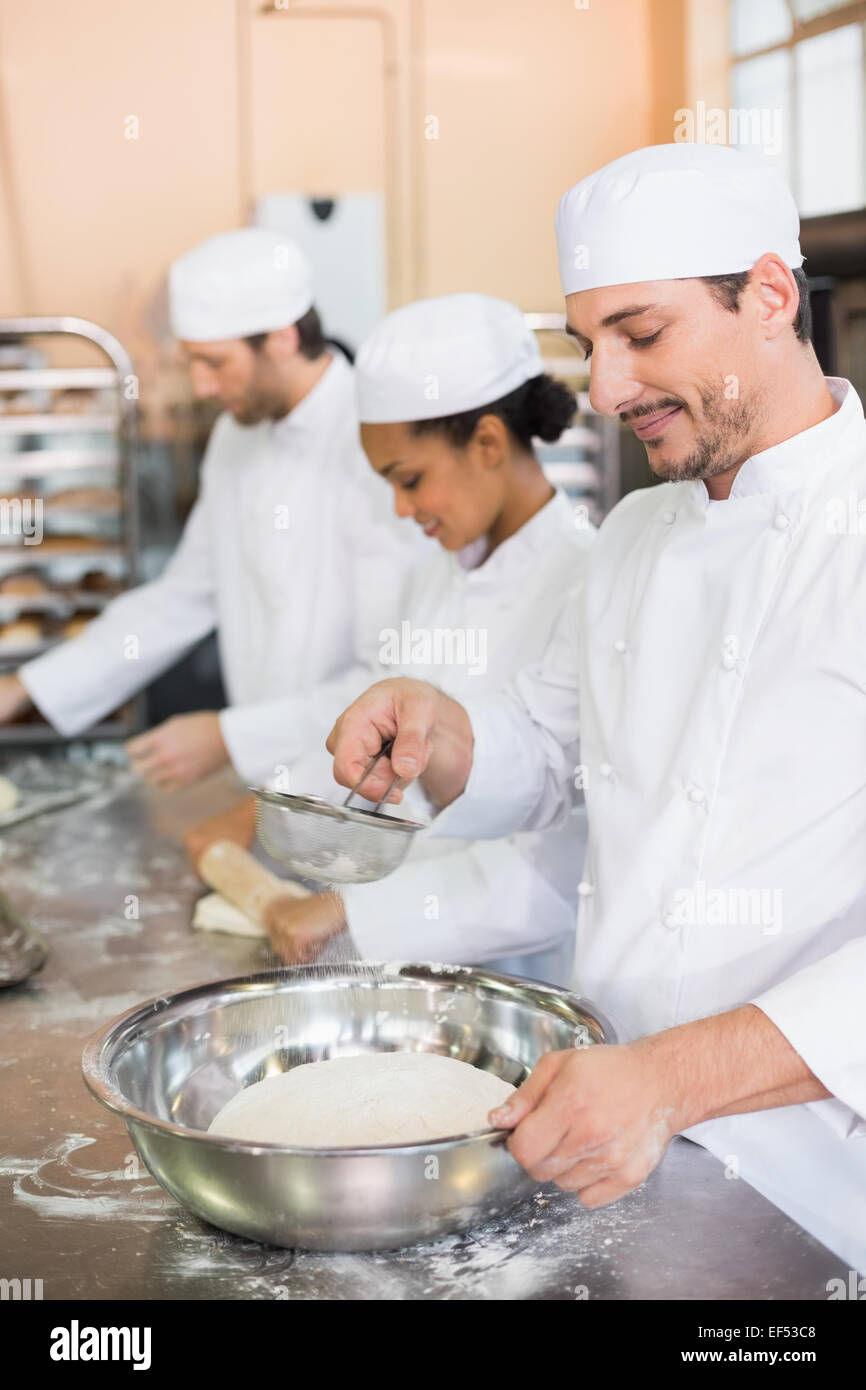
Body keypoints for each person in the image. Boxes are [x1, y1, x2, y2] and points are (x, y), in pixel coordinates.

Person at [325, 143, 866, 1273]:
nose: (606, 390)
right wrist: (438, 725)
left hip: (815, 1186)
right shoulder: (631, 538)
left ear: (770, 296)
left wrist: (671, 1078)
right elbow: (550, 754)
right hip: (602, 1135)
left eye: (642, 333)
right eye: (588, 346)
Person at [0, 228, 421, 788]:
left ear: (282, 339)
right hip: (266, 781)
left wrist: (233, 738)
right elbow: (184, 595)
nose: (200, 386)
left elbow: (395, 676)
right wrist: (28, 687)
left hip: (360, 788)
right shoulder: (235, 437)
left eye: (214, 363)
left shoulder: (378, 446)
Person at [255, 293, 594, 983]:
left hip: (519, 984)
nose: (401, 510)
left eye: (410, 480)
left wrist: (358, 914)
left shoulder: (588, 582)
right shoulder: (440, 571)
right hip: (408, 970)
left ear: (489, 443)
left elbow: (567, 865)